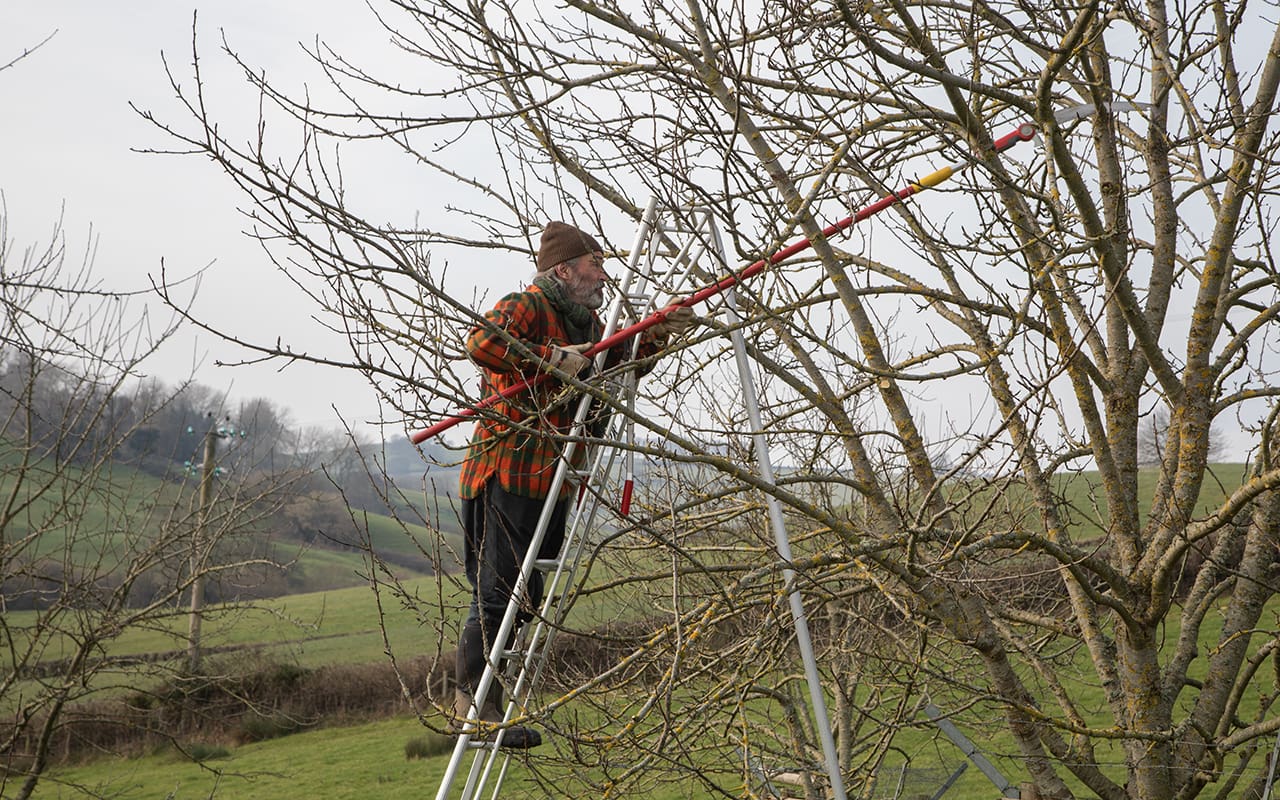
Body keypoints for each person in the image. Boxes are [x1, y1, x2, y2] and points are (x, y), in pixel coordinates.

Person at [451, 220, 695, 748]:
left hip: (553, 477)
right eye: (595, 265)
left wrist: (657, 333)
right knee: (498, 593)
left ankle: (488, 700)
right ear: (565, 269)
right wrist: (545, 358)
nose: (603, 275)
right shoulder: (530, 303)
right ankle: (475, 710)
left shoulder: (584, 320)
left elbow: (613, 371)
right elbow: (483, 340)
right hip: (508, 467)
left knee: (528, 591)